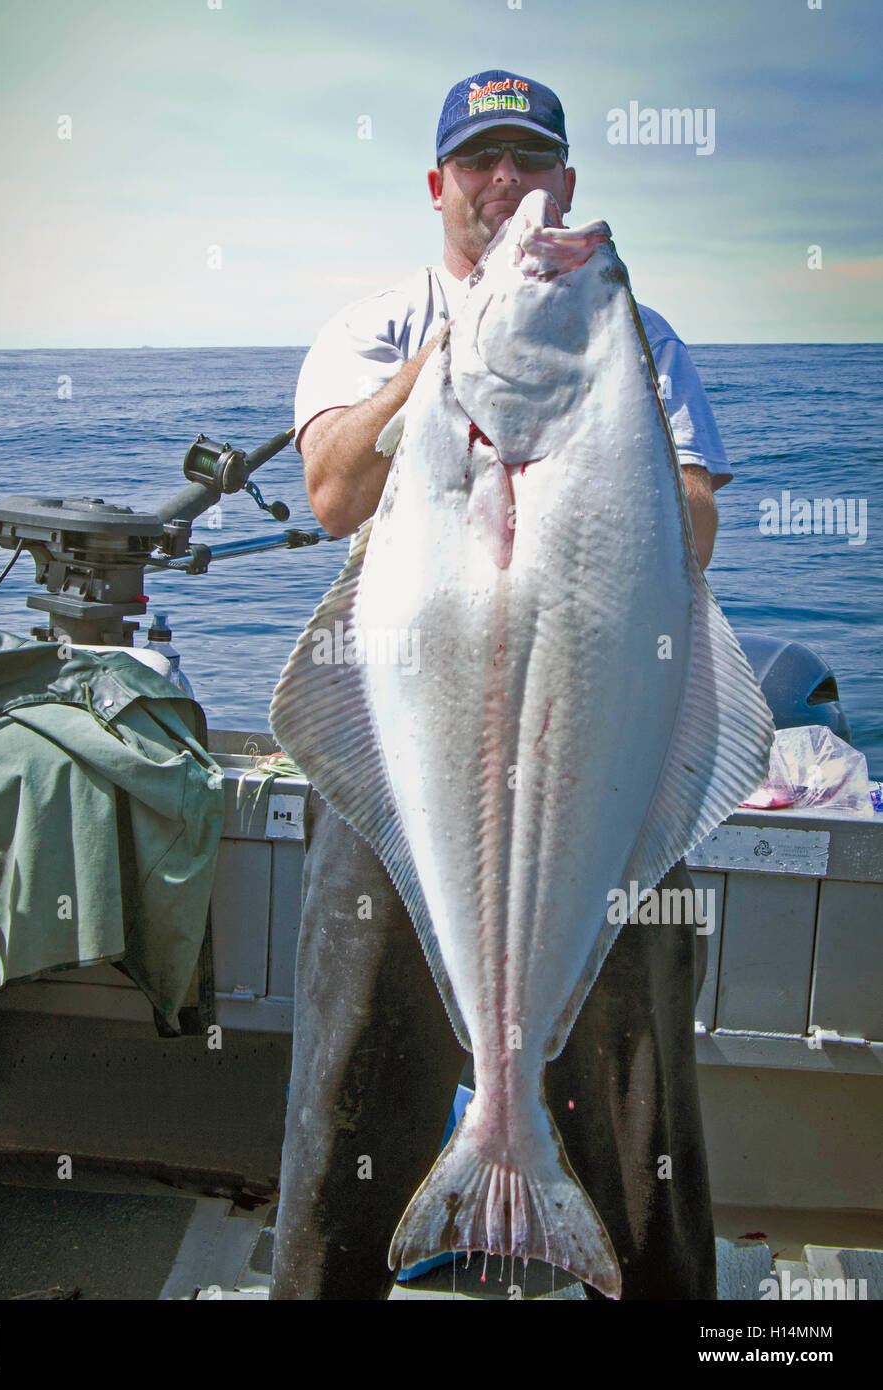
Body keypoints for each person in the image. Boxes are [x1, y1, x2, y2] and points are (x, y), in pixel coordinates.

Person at [270, 70, 728, 1301]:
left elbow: (691, 520)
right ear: (437, 185)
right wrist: (443, 369)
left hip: (592, 753)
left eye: (532, 161)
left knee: (642, 1091)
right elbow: (330, 491)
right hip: (409, 758)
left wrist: (599, 424)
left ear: (568, 182)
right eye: (481, 162)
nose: (507, 185)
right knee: (357, 1070)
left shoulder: (633, 339)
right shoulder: (380, 328)